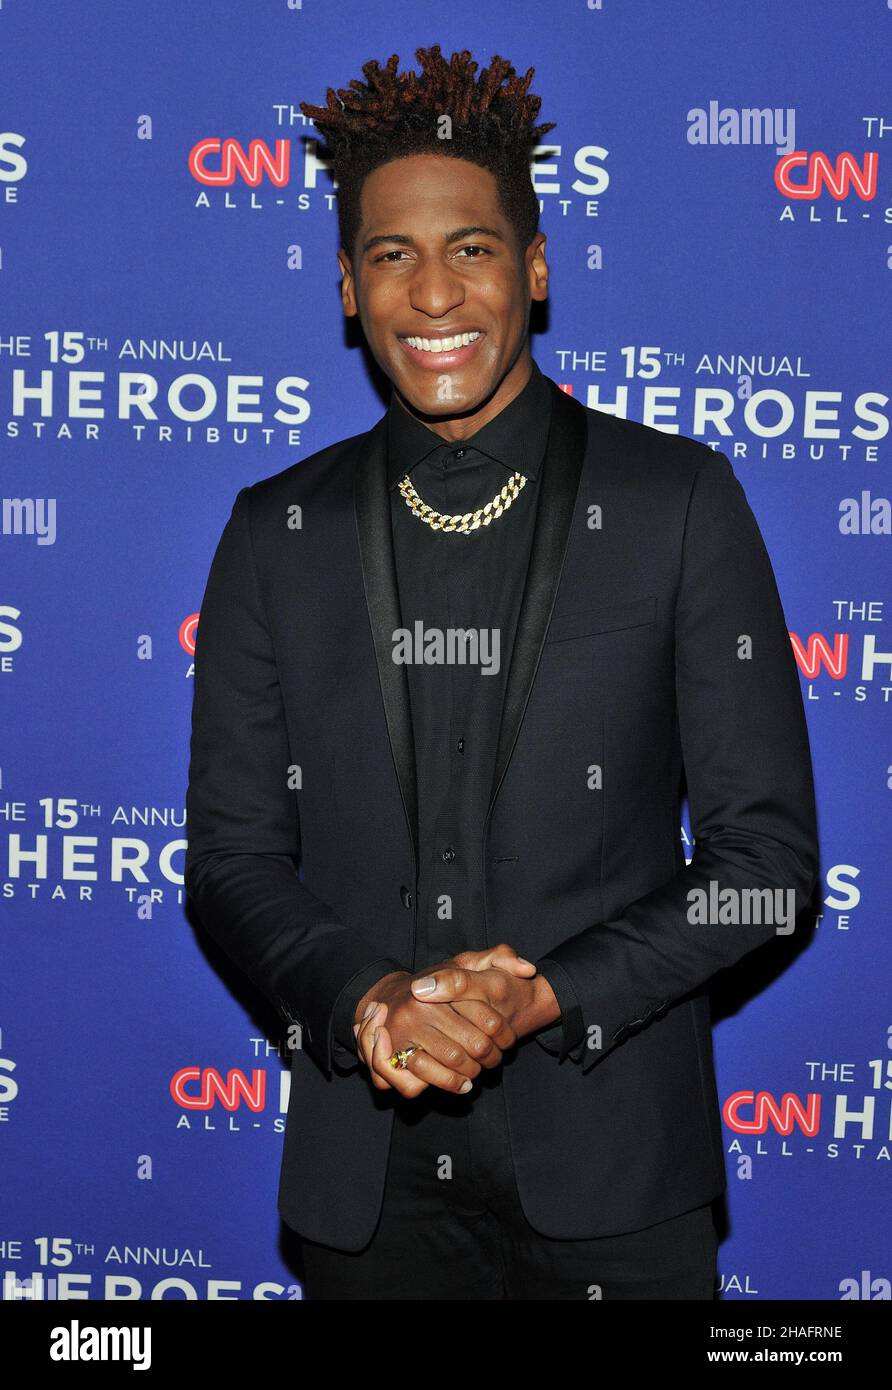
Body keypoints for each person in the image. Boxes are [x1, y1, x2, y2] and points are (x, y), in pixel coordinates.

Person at [184, 45, 818, 1300]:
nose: (432, 295)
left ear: (533, 270)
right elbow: (233, 863)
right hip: (362, 1198)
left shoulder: (673, 503)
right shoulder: (275, 530)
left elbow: (767, 870)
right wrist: (370, 999)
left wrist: (543, 995)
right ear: (347, 288)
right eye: (389, 254)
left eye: (469, 248)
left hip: (616, 1181)